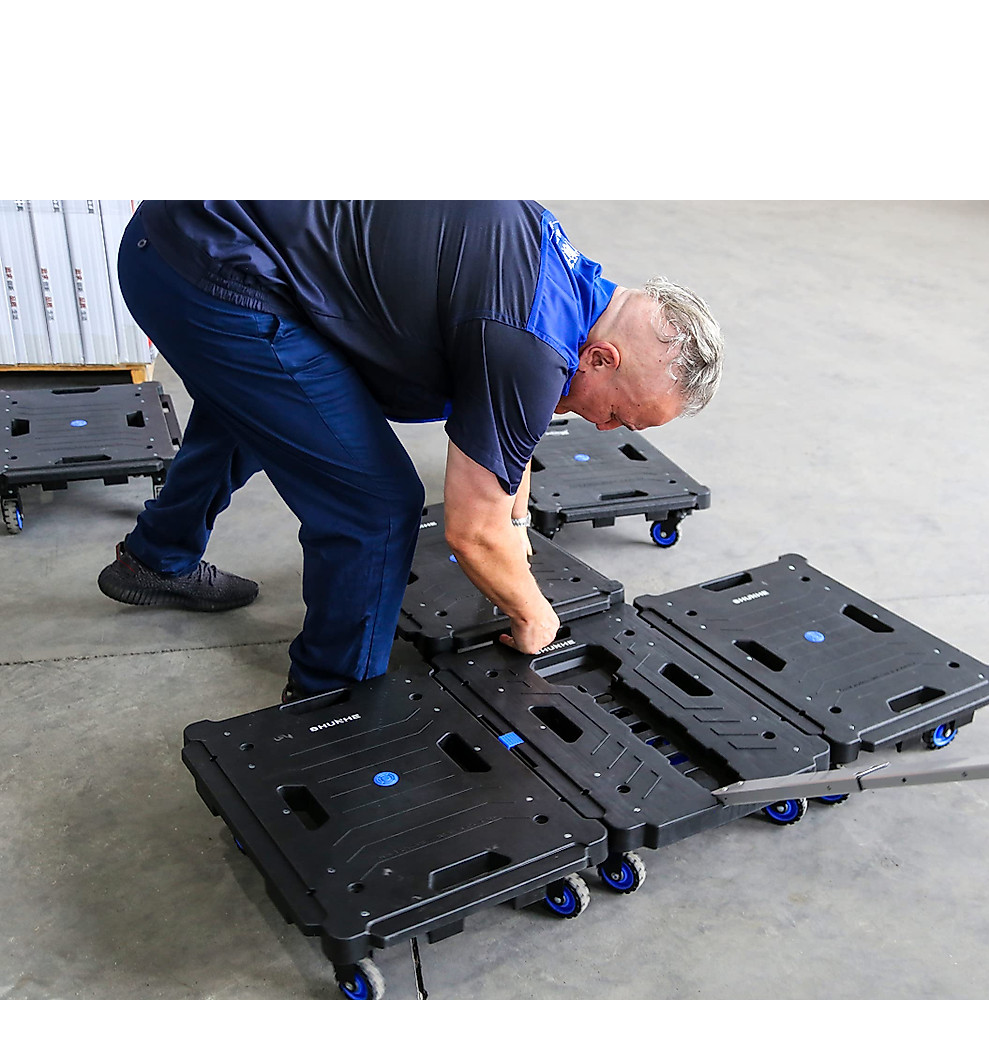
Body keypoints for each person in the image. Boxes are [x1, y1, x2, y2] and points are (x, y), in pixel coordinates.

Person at [97, 201, 723, 701]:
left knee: (262, 408)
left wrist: (517, 519)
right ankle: (330, 704)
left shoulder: (571, 282)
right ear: (602, 359)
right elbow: (472, 533)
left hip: (186, 234)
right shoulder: (529, 344)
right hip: (206, 271)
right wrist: (534, 615)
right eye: (617, 415)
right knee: (377, 509)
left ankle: (156, 558)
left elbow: (515, 417)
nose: (608, 429)